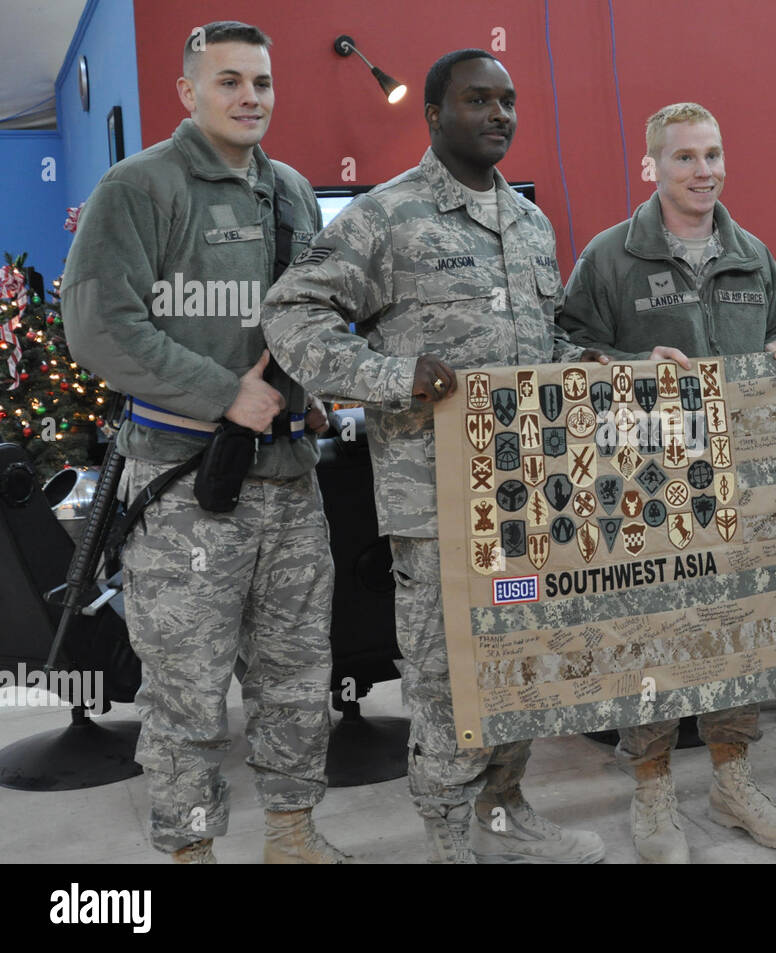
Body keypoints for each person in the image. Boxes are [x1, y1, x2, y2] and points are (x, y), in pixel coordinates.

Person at [261, 49, 607, 864]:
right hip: (436, 502)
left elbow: (540, 338)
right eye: (478, 100)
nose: (499, 115)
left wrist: (576, 360)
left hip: (529, 492)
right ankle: (448, 835)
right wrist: (389, 377)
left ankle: (505, 809)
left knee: (521, 662)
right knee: (449, 676)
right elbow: (291, 314)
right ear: (434, 115)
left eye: (509, 101)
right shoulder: (388, 216)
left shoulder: (529, 223)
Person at [61, 21, 346, 864]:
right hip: (187, 487)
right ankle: (191, 853)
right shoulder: (139, 186)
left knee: (296, 683)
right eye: (228, 82)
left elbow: (301, 317)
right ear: (188, 93)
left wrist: (309, 391)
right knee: (186, 695)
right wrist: (227, 393)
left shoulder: (290, 189)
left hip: (293, 482)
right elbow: (98, 325)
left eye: (260, 81)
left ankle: (291, 837)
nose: (250, 97)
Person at [558, 102, 776, 863]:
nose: (705, 171)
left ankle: (733, 779)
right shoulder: (610, 257)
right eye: (686, 157)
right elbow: (563, 346)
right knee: (653, 637)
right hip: (648, 488)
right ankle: (653, 788)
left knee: (738, 634)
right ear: (652, 167)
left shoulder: (752, 253)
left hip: (737, 482)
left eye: (713, 154)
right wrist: (627, 370)